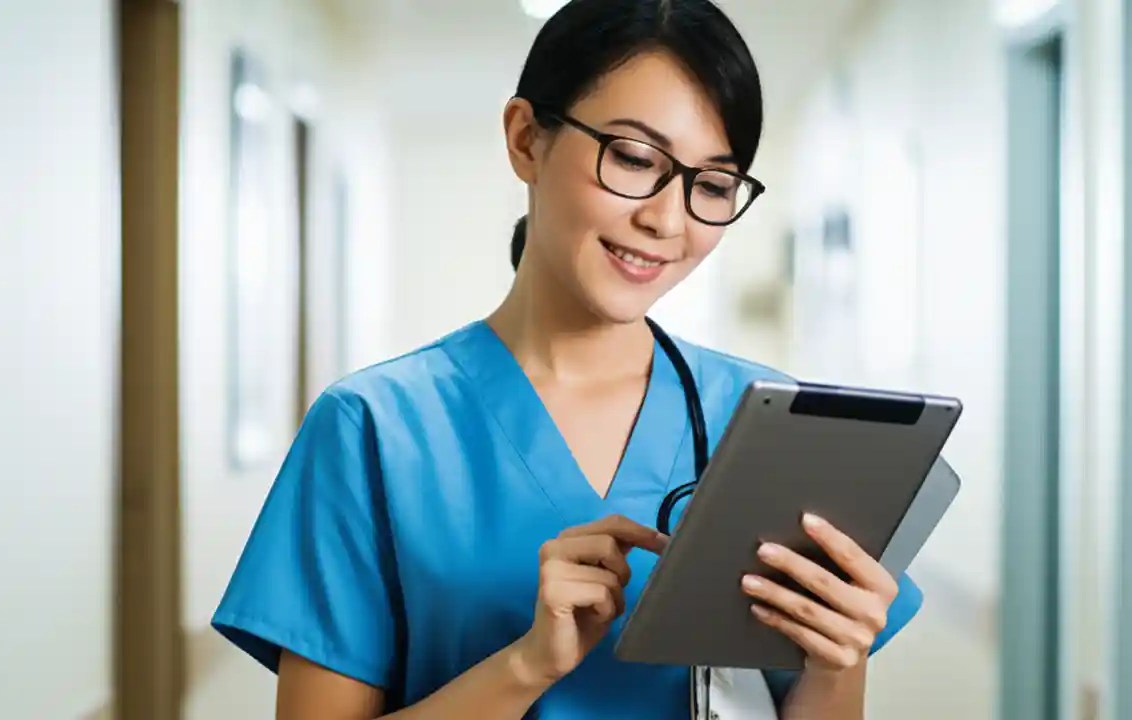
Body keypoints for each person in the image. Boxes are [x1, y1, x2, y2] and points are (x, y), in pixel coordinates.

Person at [212, 1, 924, 717]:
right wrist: (527, 665)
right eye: (635, 159)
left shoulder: (778, 424)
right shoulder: (372, 428)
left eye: (711, 185)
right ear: (526, 139)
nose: (666, 220)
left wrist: (840, 659)